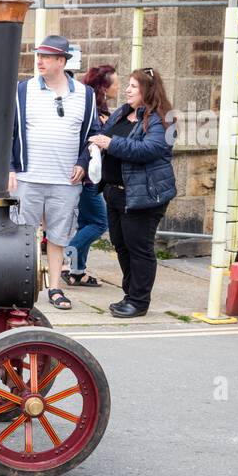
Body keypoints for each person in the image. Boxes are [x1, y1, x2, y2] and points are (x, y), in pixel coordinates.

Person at [11, 34, 97, 311]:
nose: (39, 61)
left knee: (59, 237)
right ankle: (20, 287)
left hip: (65, 180)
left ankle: (56, 288)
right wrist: (11, 167)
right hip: (28, 177)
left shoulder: (86, 94)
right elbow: (9, 131)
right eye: (38, 56)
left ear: (61, 61)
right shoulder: (23, 90)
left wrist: (83, 163)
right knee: (23, 236)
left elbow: (93, 135)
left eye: (46, 57)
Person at [89, 67, 177, 318]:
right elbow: (105, 137)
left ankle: (139, 301)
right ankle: (130, 294)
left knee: (139, 248)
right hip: (115, 193)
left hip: (143, 196)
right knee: (121, 244)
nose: (127, 89)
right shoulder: (122, 113)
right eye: (127, 85)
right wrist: (97, 144)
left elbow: (150, 149)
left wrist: (111, 144)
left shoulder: (162, 118)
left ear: (148, 90)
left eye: (134, 86)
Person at [64, 64, 118, 287]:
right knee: (99, 222)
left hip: (89, 176)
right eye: (116, 82)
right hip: (87, 177)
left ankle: (77, 271)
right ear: (104, 87)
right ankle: (69, 253)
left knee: (87, 221)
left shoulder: (99, 108)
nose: (119, 87)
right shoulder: (96, 112)